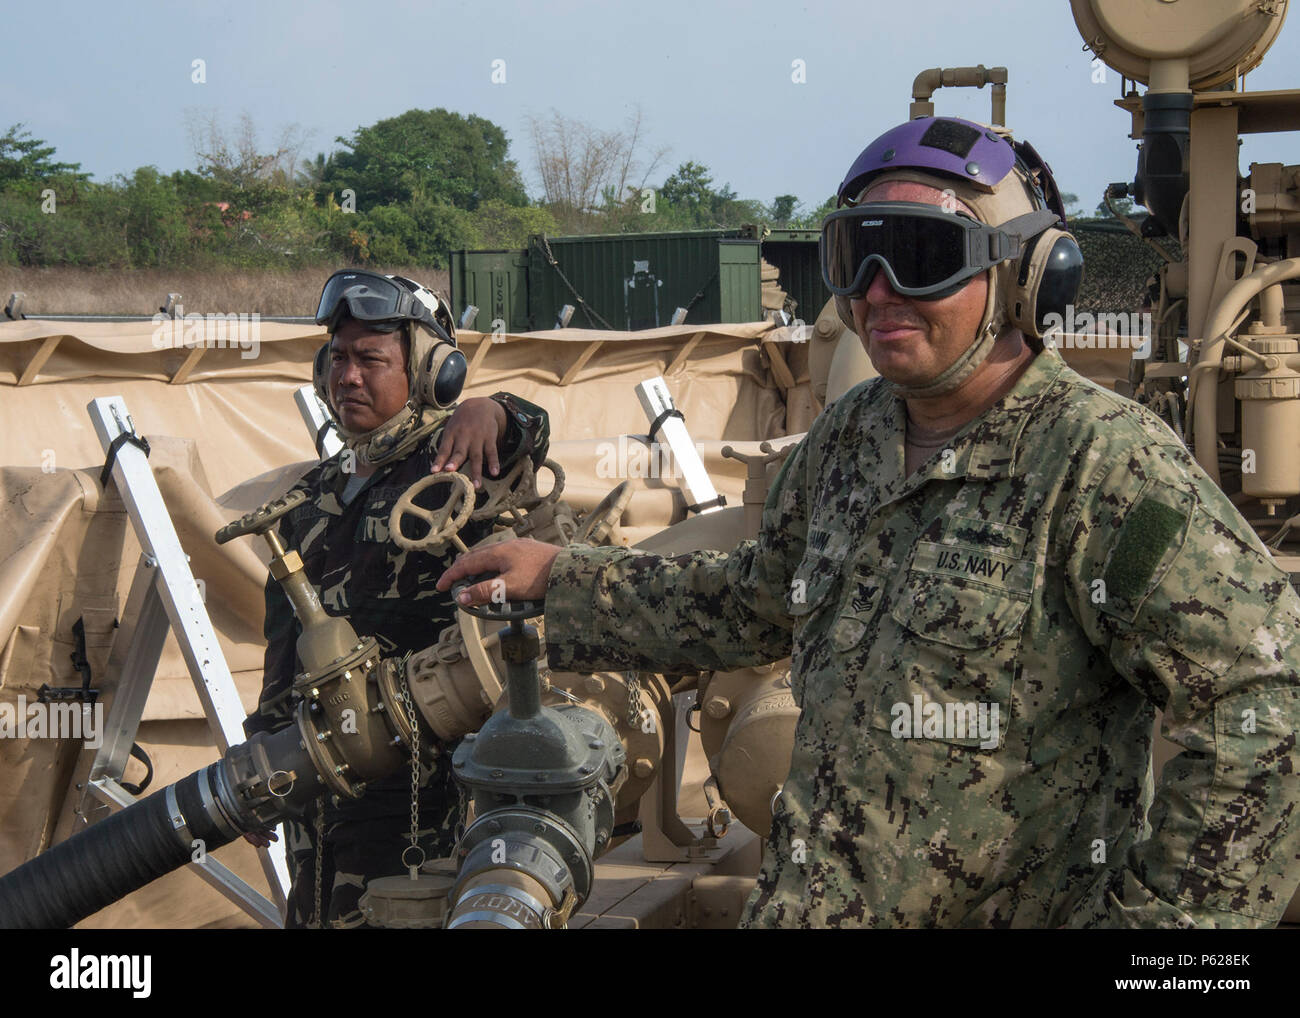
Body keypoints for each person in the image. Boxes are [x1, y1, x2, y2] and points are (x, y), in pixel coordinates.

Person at [440, 117, 1300, 928]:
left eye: (922, 256)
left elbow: (1266, 701)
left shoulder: (1100, 464)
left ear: (1028, 275)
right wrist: (566, 576)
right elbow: (759, 599)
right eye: (855, 256)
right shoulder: (850, 438)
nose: (878, 292)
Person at [244, 270, 548, 928]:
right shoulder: (308, 502)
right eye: (339, 358)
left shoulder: (454, 462)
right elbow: (281, 657)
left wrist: (493, 410)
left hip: (428, 806)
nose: (347, 376)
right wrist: (259, 763)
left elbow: (528, 435)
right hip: (320, 804)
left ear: (433, 372)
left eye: (371, 360)